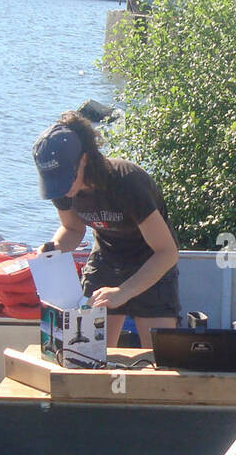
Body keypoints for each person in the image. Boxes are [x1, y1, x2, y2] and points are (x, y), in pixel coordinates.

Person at [33, 109, 180, 348]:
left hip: (151, 260)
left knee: (161, 361)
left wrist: (123, 292)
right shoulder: (62, 188)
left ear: (83, 160)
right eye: (53, 182)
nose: (61, 189)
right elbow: (71, 229)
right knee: (87, 353)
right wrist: (54, 249)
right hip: (106, 258)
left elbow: (167, 252)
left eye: (64, 179)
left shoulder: (126, 181)